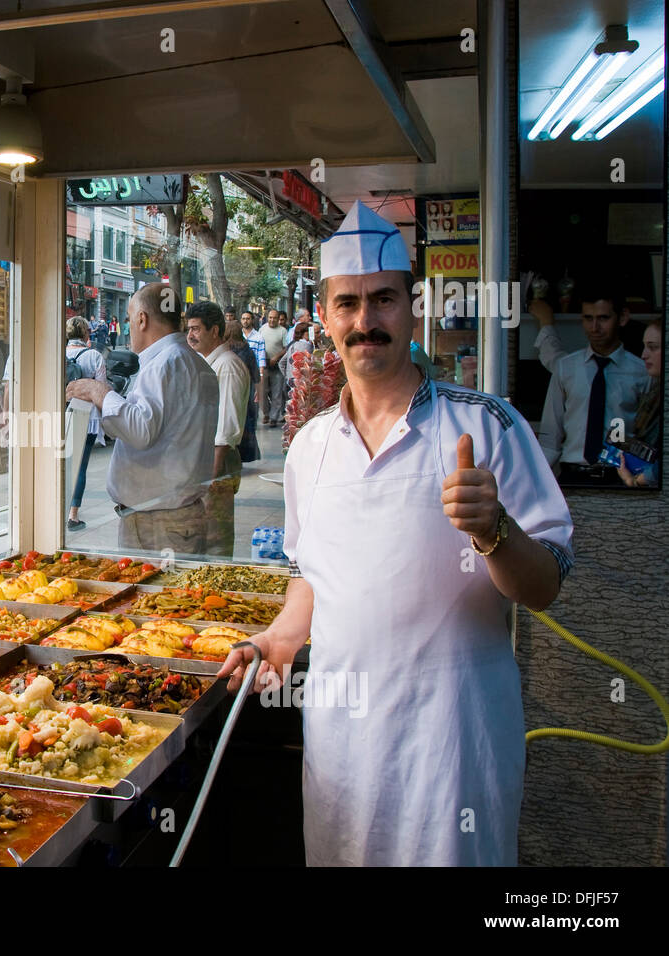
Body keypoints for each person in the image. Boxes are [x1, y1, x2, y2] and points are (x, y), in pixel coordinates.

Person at [220, 202, 574, 866]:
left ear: (413, 308)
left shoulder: (485, 426)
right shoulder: (310, 447)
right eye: (347, 303)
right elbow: (311, 578)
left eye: (383, 299)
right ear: (324, 317)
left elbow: (546, 584)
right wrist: (277, 638)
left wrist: (495, 530)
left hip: (452, 747)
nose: (365, 321)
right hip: (342, 752)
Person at [66, 282, 218, 555]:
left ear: (142, 319)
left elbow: (140, 429)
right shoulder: (195, 363)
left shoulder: (164, 364)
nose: (130, 327)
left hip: (159, 523)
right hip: (175, 515)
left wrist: (100, 392)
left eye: (130, 320)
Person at [538, 286, 648, 485]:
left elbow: (647, 436)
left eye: (603, 318)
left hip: (622, 477)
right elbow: (550, 436)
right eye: (588, 318)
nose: (594, 327)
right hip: (572, 475)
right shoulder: (566, 368)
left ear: (622, 318)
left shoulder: (642, 372)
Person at [186, 301, 249, 560]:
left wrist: (210, 479)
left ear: (215, 331)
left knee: (216, 540)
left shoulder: (228, 366)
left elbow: (226, 428)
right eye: (188, 329)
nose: (190, 335)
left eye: (197, 329)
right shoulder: (208, 363)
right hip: (204, 460)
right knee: (201, 535)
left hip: (217, 461)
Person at [64, 317, 109, 532]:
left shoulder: (58, 353)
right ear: (86, 335)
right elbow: (102, 390)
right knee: (80, 466)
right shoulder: (94, 356)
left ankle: (55, 508)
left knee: (59, 464)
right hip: (87, 417)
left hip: (60, 414)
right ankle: (73, 516)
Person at [616, 321, 662, 488]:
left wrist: (637, 481)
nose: (644, 355)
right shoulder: (654, 392)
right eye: (644, 346)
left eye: (653, 347)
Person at [226, 308, 262, 464]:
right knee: (246, 423)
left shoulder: (225, 351)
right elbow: (255, 373)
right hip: (246, 392)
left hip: (229, 393)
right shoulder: (246, 349)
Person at [262, 310, 290, 428]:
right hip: (264, 364)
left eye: (274, 318)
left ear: (278, 319)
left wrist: (276, 356)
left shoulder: (283, 331)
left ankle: (274, 417)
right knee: (263, 391)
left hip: (277, 365)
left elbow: (286, 348)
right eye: (270, 317)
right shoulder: (262, 329)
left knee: (277, 392)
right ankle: (266, 413)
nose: (272, 320)